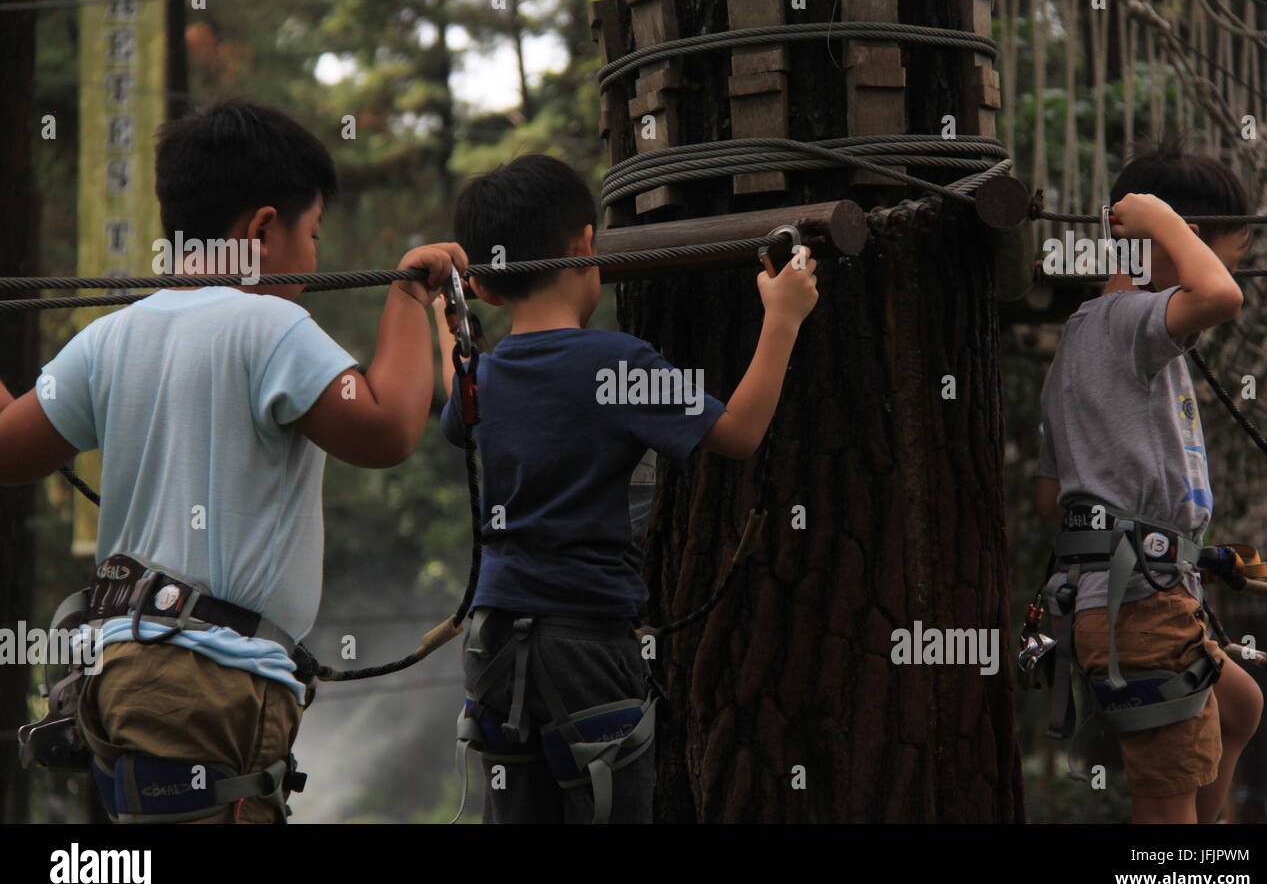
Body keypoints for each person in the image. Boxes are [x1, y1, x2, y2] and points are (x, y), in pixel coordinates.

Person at [0, 99, 466, 823]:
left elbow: (6, 446)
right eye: (312, 235)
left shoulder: (108, 339)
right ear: (262, 230)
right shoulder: (271, 324)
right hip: (209, 685)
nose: (313, 265)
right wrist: (409, 294)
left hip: (123, 676)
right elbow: (386, 429)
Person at [436, 154, 818, 823]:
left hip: (491, 646)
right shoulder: (616, 364)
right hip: (586, 643)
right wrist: (782, 316)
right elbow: (741, 430)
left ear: (487, 291)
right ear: (587, 245)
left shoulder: (484, 378)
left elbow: (456, 399)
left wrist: (443, 305)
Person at [1033, 142, 1262, 823]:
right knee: (1166, 812)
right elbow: (1220, 295)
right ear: (1177, 242)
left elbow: (1053, 498)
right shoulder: (1132, 325)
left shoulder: (1082, 338)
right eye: (1217, 253)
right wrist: (1162, 220)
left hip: (1131, 591)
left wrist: (1168, 544)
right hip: (1141, 606)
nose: (1224, 273)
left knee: (1239, 703)